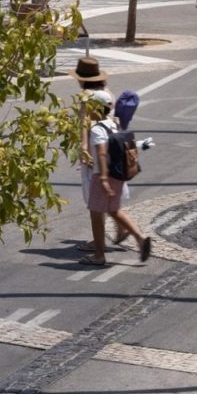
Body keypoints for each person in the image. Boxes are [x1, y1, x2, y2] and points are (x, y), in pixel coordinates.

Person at [80, 91, 151, 265]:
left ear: (96, 107)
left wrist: (103, 178)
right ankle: (140, 238)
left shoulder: (97, 129)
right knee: (114, 210)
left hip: (102, 176)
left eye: (90, 106)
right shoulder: (112, 124)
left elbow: (102, 153)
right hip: (118, 175)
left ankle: (99, 255)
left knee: (96, 215)